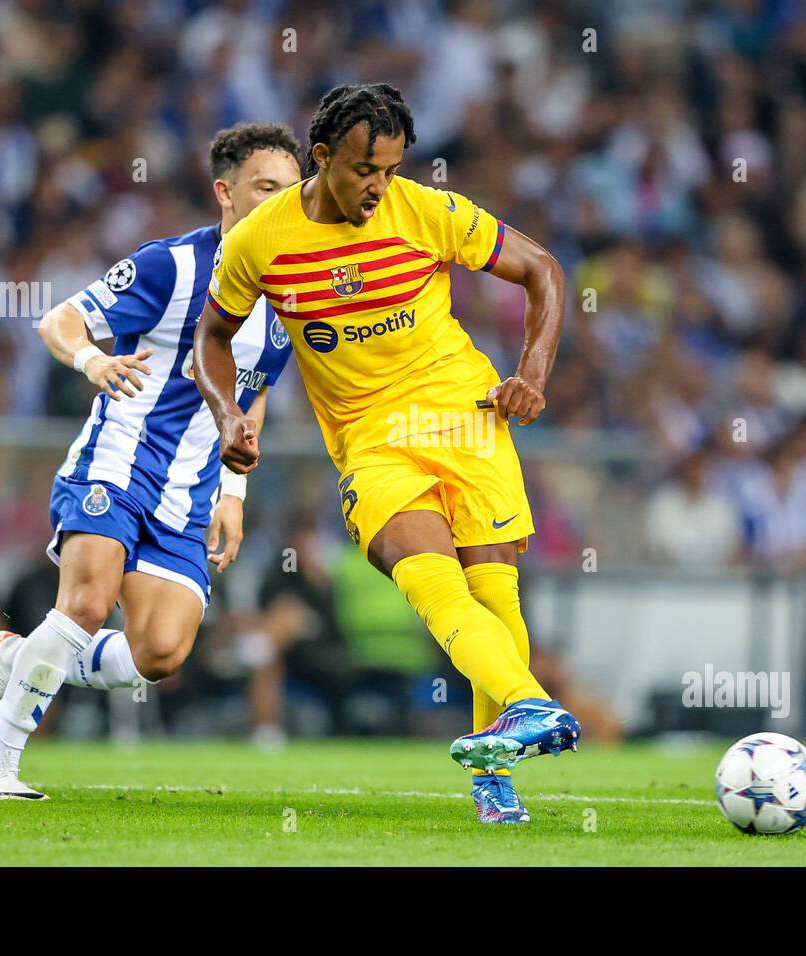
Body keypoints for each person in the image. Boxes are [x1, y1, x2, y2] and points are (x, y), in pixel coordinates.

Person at [194, 83, 579, 825]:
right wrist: (228, 412)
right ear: (322, 155)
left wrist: (531, 373)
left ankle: (493, 771)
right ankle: (532, 707)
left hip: (467, 417)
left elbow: (543, 271)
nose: (379, 187)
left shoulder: (427, 209)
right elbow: (213, 337)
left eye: (392, 169)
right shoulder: (261, 240)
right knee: (433, 587)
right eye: (365, 169)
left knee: (496, 598)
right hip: (371, 438)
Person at [0, 123, 302, 799]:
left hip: (190, 493)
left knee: (161, 653)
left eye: (291, 193)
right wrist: (93, 358)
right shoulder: (171, 266)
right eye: (266, 188)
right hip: (118, 461)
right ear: (224, 193)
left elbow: (252, 397)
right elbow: (59, 319)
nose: (280, 204)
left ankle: (15, 654)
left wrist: (233, 491)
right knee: (86, 604)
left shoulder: (288, 301)